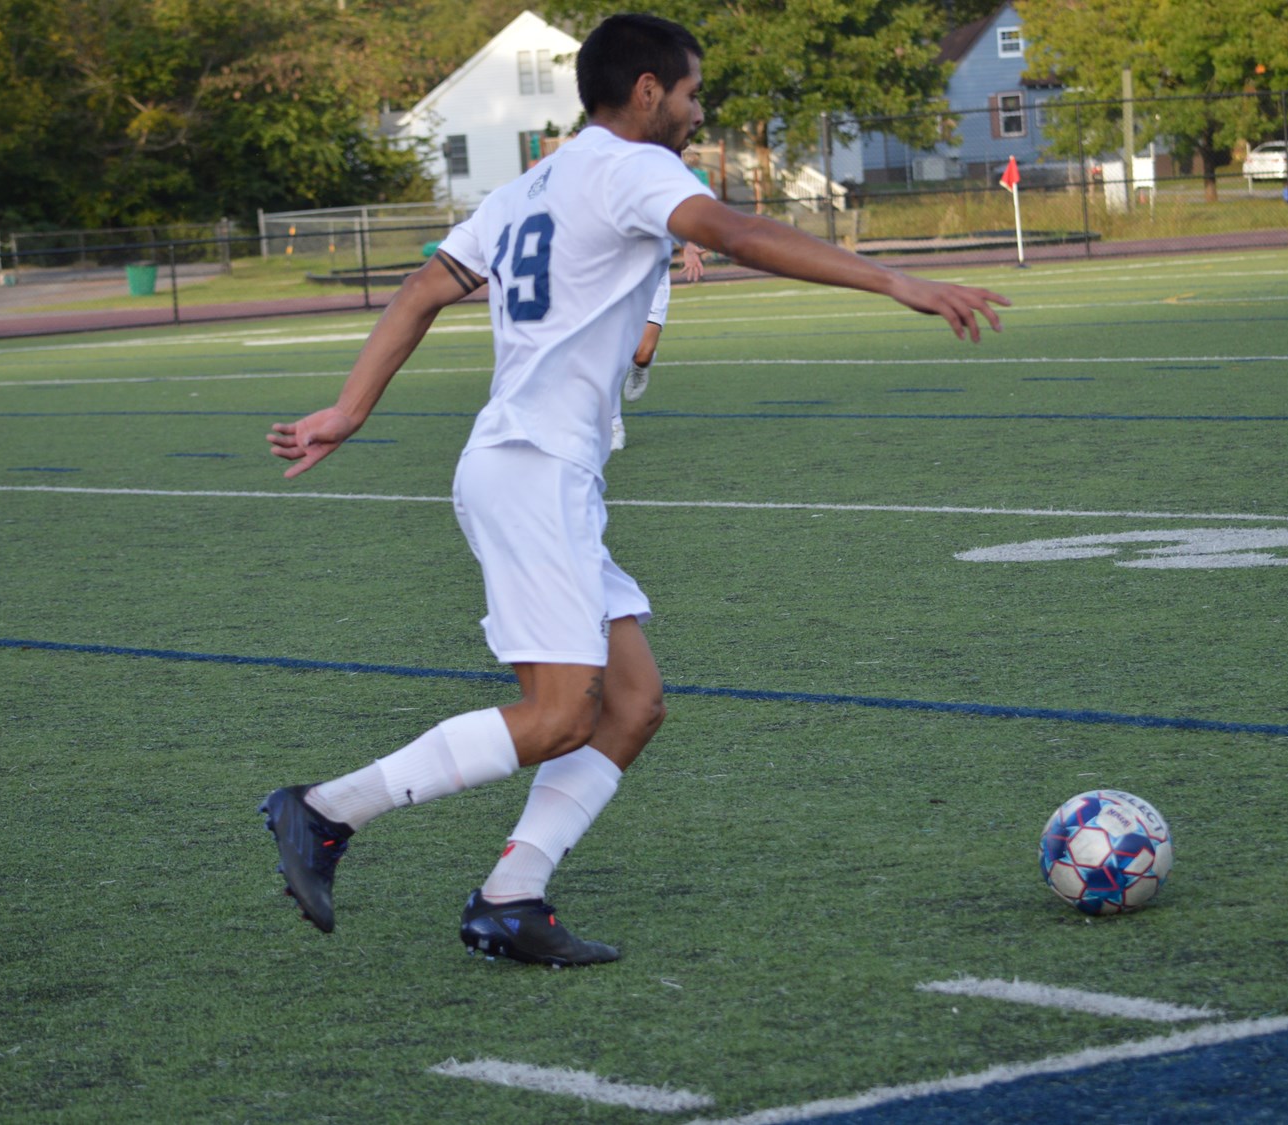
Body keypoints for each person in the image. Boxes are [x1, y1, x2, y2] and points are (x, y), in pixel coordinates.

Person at [259, 12, 1009, 967]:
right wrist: (892, 279)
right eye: (692, 94)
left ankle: (511, 895)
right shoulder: (631, 163)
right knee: (561, 712)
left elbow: (419, 291)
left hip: (538, 470)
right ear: (648, 91)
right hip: (532, 468)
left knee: (633, 703)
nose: (698, 114)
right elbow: (734, 230)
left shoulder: (532, 182)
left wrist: (349, 410)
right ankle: (324, 810)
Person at [611, 241, 702, 450]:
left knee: (642, 354)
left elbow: (672, 219)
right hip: (615, 281)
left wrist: (687, 246)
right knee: (614, 357)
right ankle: (614, 424)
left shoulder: (648, 208)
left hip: (653, 279)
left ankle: (641, 366)